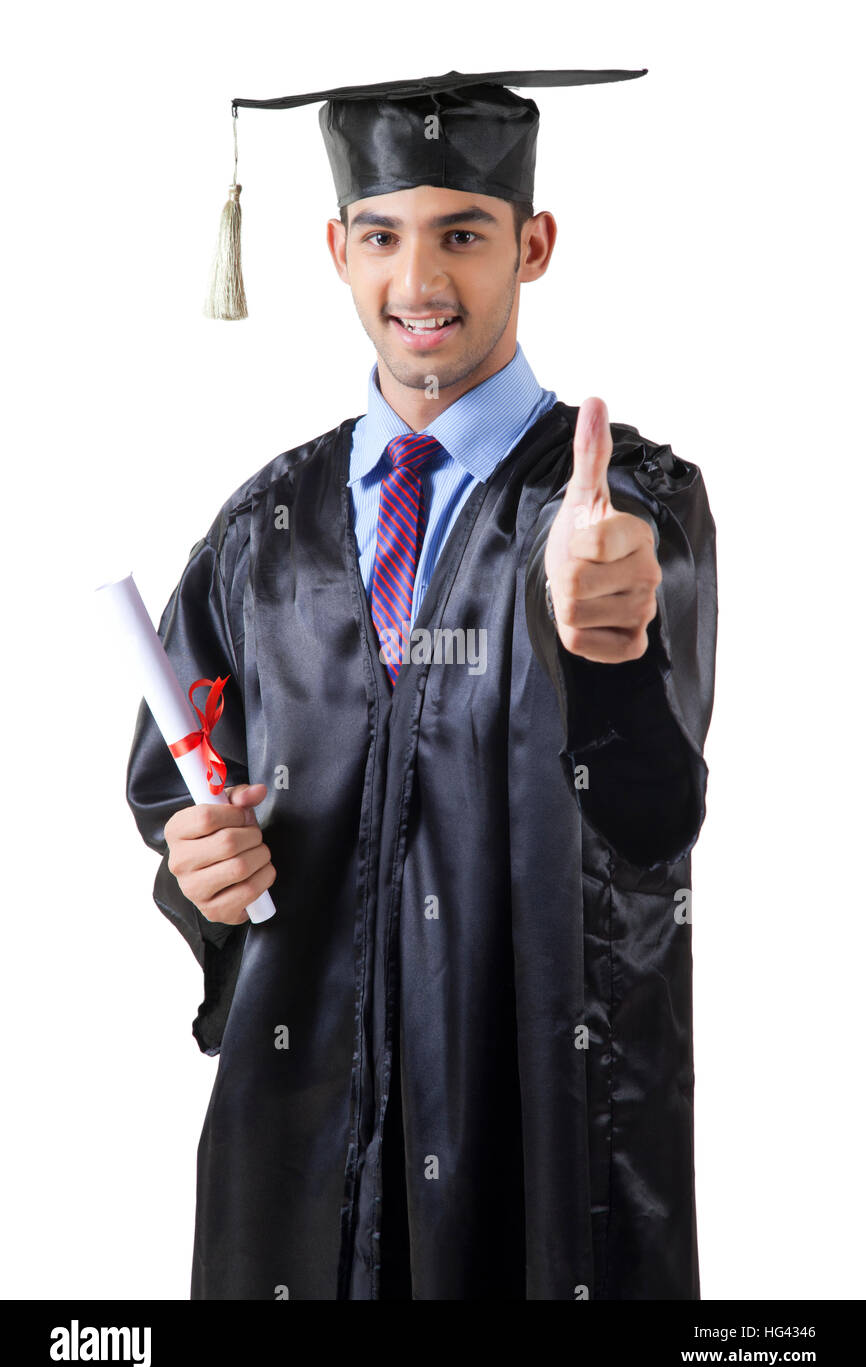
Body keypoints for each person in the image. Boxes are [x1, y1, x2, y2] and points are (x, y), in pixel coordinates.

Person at [126, 70, 718, 1300]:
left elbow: (654, 817)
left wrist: (607, 656)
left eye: (462, 233)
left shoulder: (624, 512)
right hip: (303, 1142)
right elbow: (180, 801)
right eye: (384, 237)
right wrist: (202, 874)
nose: (420, 285)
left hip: (538, 1133)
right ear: (337, 251)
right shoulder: (263, 532)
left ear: (532, 245)